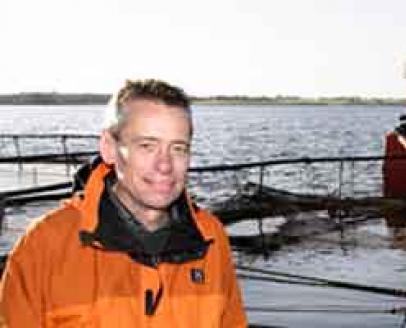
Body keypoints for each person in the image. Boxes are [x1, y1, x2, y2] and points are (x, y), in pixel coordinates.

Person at [0, 79, 247, 327]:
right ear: (109, 148)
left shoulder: (211, 238)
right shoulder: (46, 244)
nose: (165, 165)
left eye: (178, 148)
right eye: (147, 146)